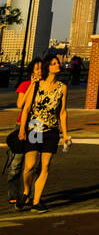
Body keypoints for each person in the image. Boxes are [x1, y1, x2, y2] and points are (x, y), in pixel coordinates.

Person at [17, 52, 69, 212]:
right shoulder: (37, 85)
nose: (57, 65)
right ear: (48, 67)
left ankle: (36, 201)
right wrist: (21, 130)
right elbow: (25, 109)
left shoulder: (62, 88)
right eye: (54, 63)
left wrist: (65, 134)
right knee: (30, 166)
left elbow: (62, 112)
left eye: (57, 63)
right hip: (35, 126)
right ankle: (26, 191)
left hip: (52, 130)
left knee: (45, 166)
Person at [6, 60, 41, 206]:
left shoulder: (46, 86)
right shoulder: (25, 85)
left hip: (37, 125)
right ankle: (14, 194)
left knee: (33, 164)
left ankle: (29, 194)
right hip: (23, 124)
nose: (40, 71)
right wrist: (32, 85)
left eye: (41, 68)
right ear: (32, 71)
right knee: (16, 163)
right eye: (37, 68)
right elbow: (20, 105)